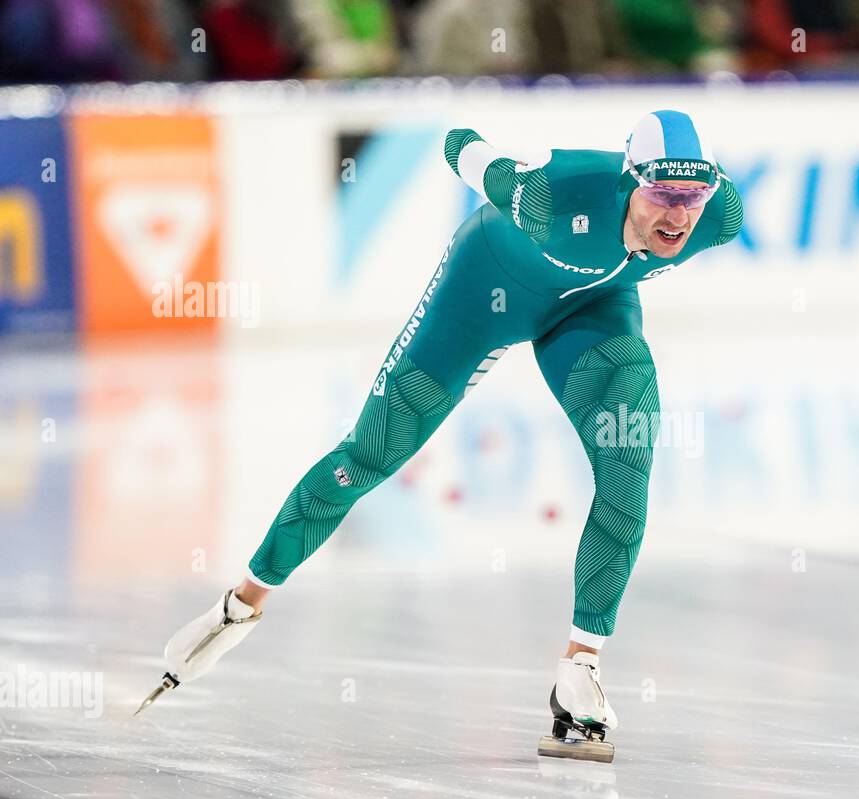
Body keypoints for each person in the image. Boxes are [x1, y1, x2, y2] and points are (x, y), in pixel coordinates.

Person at [137, 110, 744, 762]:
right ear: (631, 180)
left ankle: (581, 666)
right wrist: (472, 140)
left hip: (593, 312)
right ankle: (239, 606)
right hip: (483, 294)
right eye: (662, 193)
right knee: (372, 454)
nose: (679, 213)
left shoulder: (721, 217)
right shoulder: (552, 197)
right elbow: (465, 150)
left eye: (693, 194)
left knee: (628, 473)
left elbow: (685, 217)